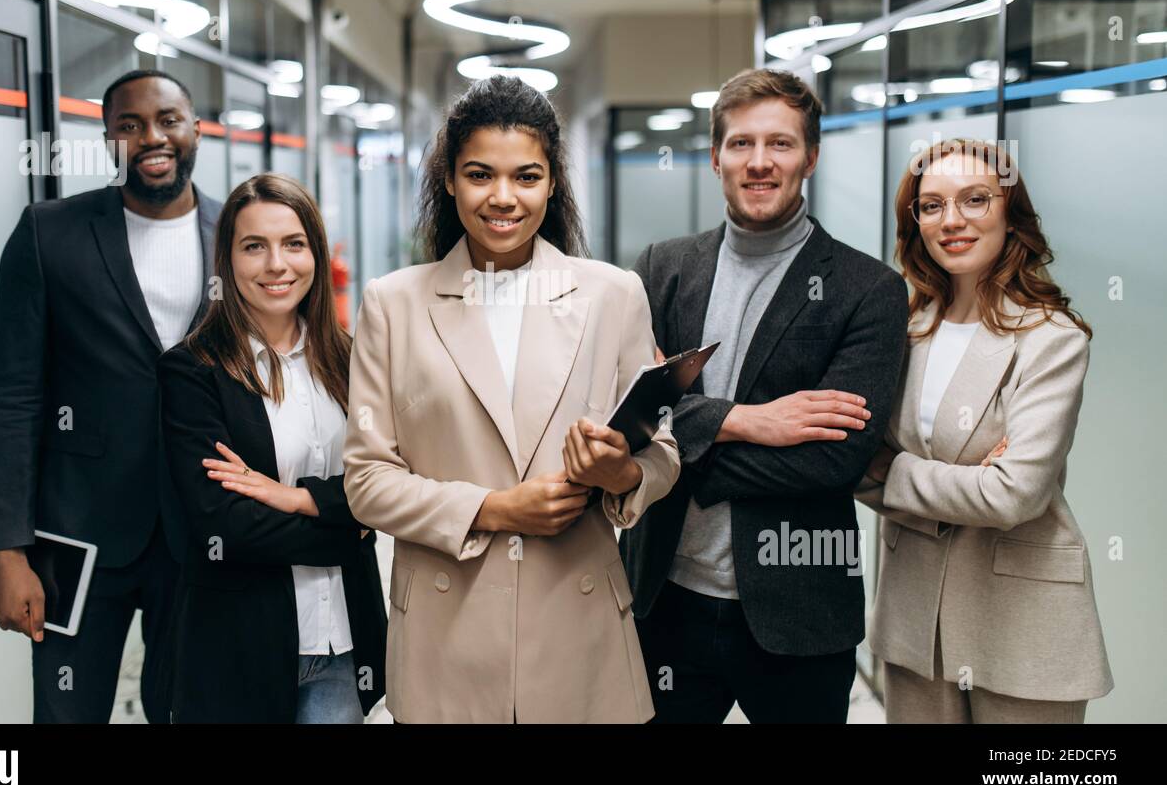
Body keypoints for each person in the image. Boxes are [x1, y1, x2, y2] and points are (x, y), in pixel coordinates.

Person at [342, 74, 681, 723]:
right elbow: (366, 480)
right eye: (479, 175)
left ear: (553, 183)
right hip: (447, 630)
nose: (503, 197)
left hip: (577, 622)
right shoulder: (393, 304)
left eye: (526, 176)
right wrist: (494, 509)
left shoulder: (613, 295)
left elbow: (662, 451)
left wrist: (624, 472)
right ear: (449, 180)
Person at [619, 68, 909, 723]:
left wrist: (683, 441)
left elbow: (831, 461)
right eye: (742, 144)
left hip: (799, 614)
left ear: (811, 155)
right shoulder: (661, 269)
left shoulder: (868, 291)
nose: (759, 162)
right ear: (716, 155)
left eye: (779, 144)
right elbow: (629, 417)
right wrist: (749, 421)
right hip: (664, 598)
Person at [0, 69, 220, 723]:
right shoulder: (47, 234)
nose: (152, 136)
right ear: (108, 138)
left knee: (188, 711)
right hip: (75, 536)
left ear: (196, 127)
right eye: (129, 124)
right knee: (67, 713)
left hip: (203, 532)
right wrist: (7, 551)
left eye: (168, 118)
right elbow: (11, 400)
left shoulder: (239, 236)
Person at [858, 139, 1113, 723]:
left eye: (976, 200)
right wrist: (967, 477)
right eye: (931, 206)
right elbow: (851, 458)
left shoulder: (1051, 338)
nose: (952, 221)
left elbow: (1013, 493)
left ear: (1010, 213)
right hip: (914, 616)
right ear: (914, 221)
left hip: (1023, 619)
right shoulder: (898, 330)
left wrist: (893, 469)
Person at [158, 174, 386, 723]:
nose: (276, 264)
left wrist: (296, 499)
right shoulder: (192, 372)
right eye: (254, 246)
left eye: (293, 244)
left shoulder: (354, 361)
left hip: (344, 645)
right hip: (240, 647)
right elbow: (223, 526)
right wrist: (348, 528)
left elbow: (385, 480)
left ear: (315, 251)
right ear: (228, 260)